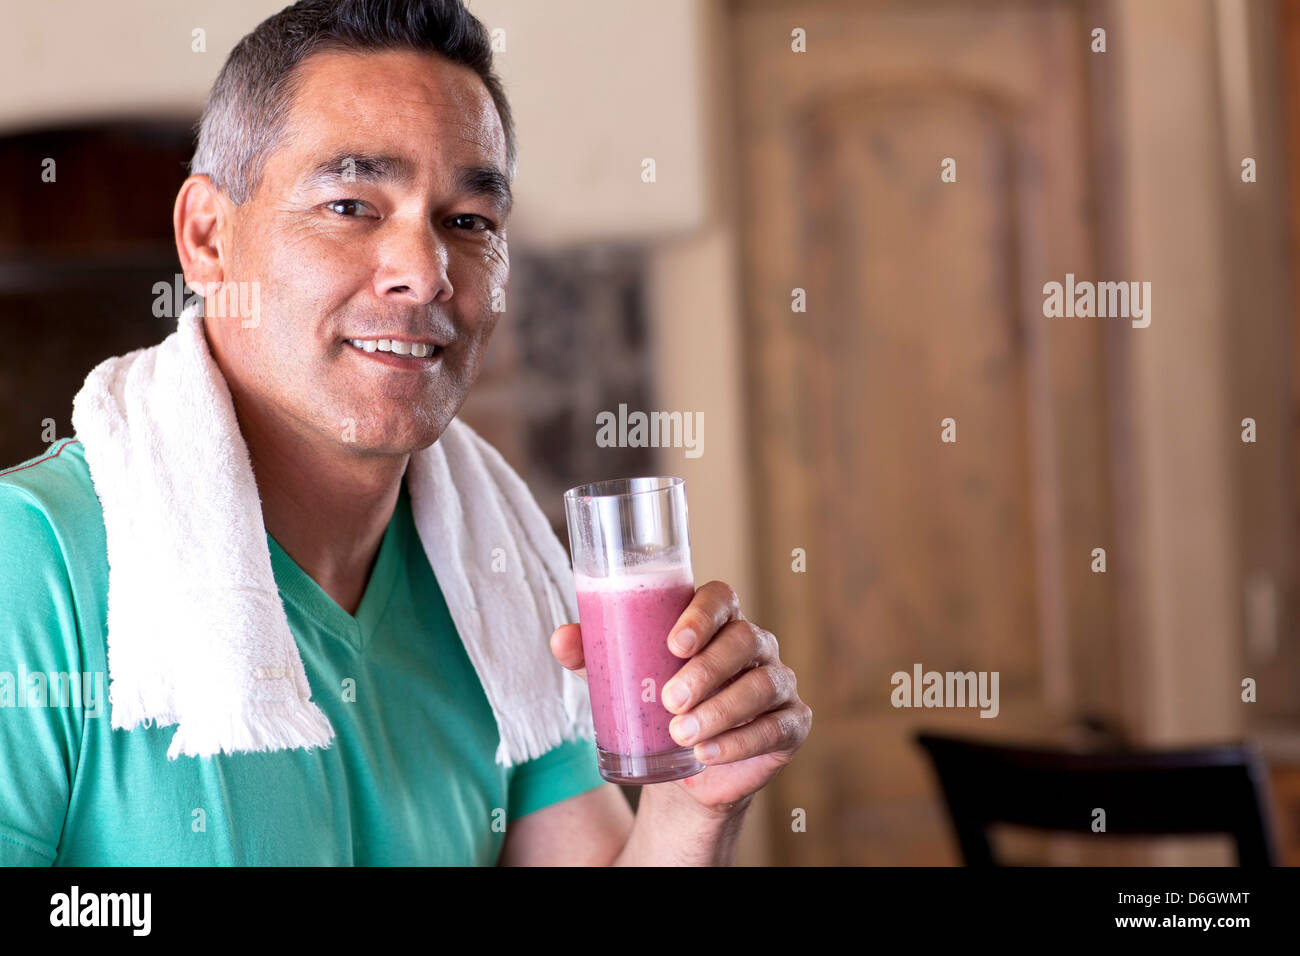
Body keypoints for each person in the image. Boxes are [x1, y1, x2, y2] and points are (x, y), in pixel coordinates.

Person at [0, 0, 810, 866]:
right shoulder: (31, 565)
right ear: (207, 236)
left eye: (469, 223)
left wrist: (696, 803)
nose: (425, 275)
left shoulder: (490, 562)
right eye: (351, 204)